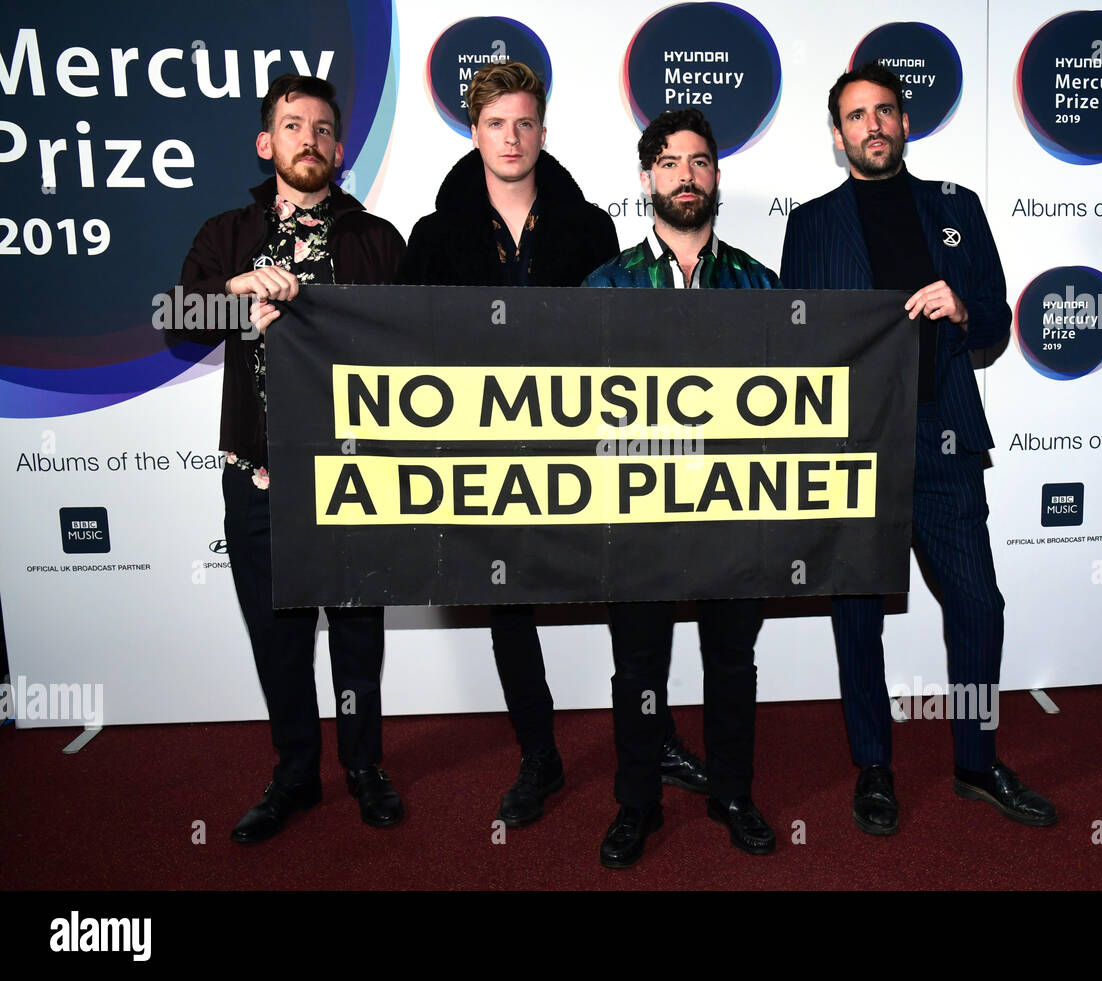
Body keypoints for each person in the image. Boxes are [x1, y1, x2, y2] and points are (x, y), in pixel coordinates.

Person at [395, 62, 709, 830]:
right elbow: (396, 341)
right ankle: (539, 753)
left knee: (629, 589)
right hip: (484, 455)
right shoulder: (433, 236)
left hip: (585, 449)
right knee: (507, 605)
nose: (512, 137)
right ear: (474, 132)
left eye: (525, 122)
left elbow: (621, 340)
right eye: (497, 122)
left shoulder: (590, 227)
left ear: (542, 129)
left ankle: (655, 731)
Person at [780, 63, 1056, 835]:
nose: (873, 125)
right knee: (856, 615)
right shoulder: (811, 225)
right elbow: (794, 346)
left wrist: (963, 306)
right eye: (856, 116)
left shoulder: (955, 207)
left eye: (885, 111)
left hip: (945, 439)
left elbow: (998, 323)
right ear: (838, 137)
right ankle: (873, 766)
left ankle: (977, 762)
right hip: (854, 450)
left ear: (904, 123)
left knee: (978, 605)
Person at [174, 74, 406, 843]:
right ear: (266, 143)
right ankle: (295, 772)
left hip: (352, 476)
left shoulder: (376, 239)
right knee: (277, 635)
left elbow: (413, 352)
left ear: (339, 148)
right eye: (292, 125)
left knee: (356, 632)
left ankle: (365, 766)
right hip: (258, 472)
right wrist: (236, 294)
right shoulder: (226, 236)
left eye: (323, 128)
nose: (309, 138)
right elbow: (175, 320)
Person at [584, 109, 780, 867]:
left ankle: (733, 792)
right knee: (638, 668)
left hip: (735, 507)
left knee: (732, 660)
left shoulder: (760, 283)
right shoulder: (606, 286)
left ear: (717, 177)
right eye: (669, 163)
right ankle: (637, 801)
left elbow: (791, 404)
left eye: (700, 162)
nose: (686, 175)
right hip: (635, 514)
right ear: (646, 180)